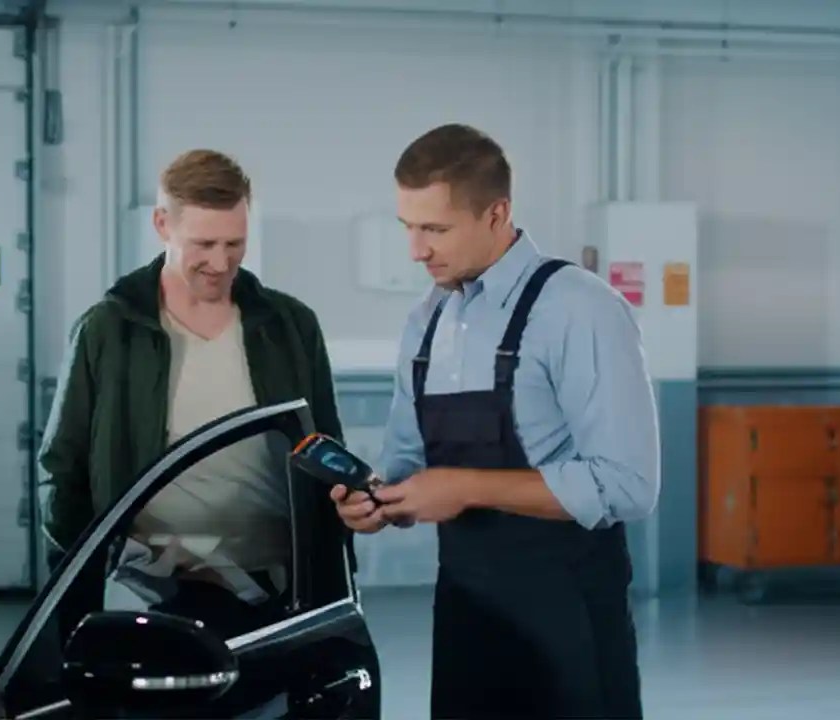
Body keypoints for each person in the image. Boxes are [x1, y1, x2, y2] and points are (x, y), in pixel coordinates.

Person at [332, 123, 659, 719]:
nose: (416, 250)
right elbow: (406, 461)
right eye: (407, 227)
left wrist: (466, 488)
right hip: (467, 617)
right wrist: (378, 502)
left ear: (497, 213)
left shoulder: (579, 308)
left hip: (569, 618)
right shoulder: (426, 322)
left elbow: (628, 484)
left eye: (435, 229)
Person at [39, 148, 345, 633]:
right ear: (162, 224)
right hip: (151, 591)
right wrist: (76, 596)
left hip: (278, 589)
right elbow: (63, 471)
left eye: (235, 243)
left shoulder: (289, 326)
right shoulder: (108, 332)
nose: (220, 263)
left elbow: (326, 450)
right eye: (204, 244)